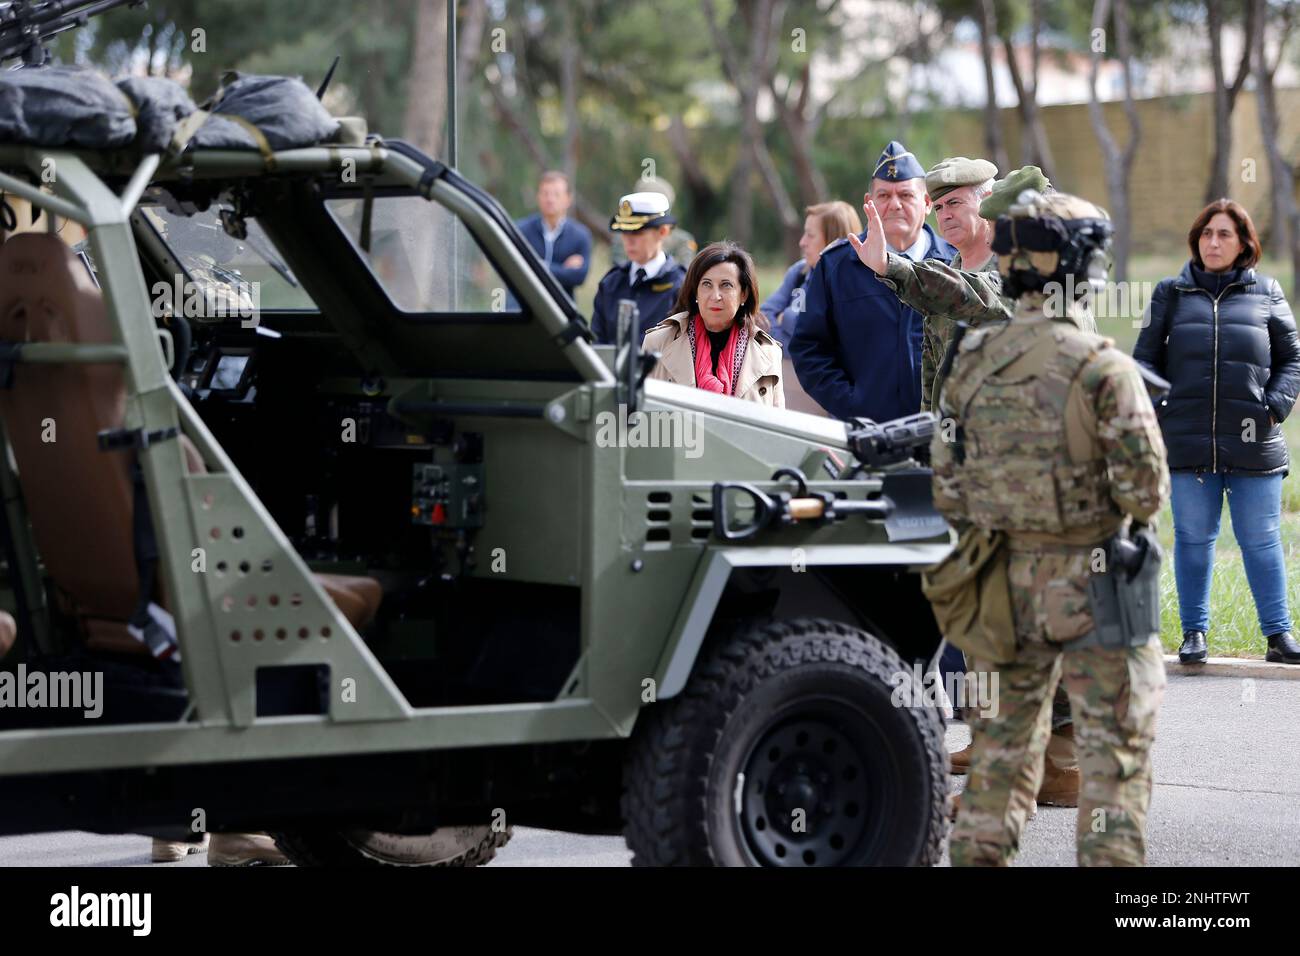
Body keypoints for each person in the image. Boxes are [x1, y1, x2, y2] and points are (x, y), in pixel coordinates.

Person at [933, 189, 1170, 866]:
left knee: (997, 766)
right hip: (1096, 589)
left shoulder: (971, 359)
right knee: (1113, 768)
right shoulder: (1104, 368)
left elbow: (949, 488)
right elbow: (1145, 493)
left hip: (1002, 589)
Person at [1134, 199, 1300, 665]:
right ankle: (1194, 634)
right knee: (1192, 539)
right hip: (1186, 442)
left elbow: (1292, 359)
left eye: (1224, 234)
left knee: (1261, 540)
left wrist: (1272, 408)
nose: (1213, 242)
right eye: (1207, 233)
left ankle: (1278, 636)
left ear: (1244, 242)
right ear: (1196, 239)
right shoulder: (1170, 293)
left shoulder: (1267, 291)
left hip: (1254, 442)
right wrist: (1160, 407)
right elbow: (1143, 360)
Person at [790, 140, 956, 422]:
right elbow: (808, 348)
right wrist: (853, 404)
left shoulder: (954, 264)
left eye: (906, 195)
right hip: (864, 435)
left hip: (940, 431)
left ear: (927, 203)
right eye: (883, 195)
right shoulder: (837, 266)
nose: (894, 204)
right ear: (870, 203)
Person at [642, 241, 783, 406]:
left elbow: (777, 424)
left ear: (743, 294)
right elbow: (640, 416)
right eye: (707, 285)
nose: (715, 296)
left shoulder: (769, 353)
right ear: (696, 291)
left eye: (726, 285)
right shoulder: (658, 342)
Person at [760, 201, 861, 416]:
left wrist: (785, 318)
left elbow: (835, 345)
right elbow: (761, 320)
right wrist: (796, 334)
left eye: (810, 235)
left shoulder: (853, 285)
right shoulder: (800, 272)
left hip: (830, 409)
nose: (802, 242)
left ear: (834, 240)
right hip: (788, 399)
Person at [591, 192, 689, 345]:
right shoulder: (611, 283)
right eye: (624, 231)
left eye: (637, 232)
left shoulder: (680, 285)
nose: (628, 240)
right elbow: (597, 342)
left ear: (663, 231)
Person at [515, 170, 592, 300]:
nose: (550, 199)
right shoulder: (521, 230)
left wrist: (534, 265)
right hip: (525, 305)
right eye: (545, 194)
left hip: (562, 311)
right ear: (538, 197)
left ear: (568, 199)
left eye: (556, 194)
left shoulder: (580, 235)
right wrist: (562, 269)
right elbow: (516, 269)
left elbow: (579, 277)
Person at [611, 175, 698, 268]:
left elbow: (685, 272)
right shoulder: (621, 237)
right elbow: (619, 267)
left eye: (639, 233)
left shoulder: (683, 240)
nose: (629, 239)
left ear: (663, 232)